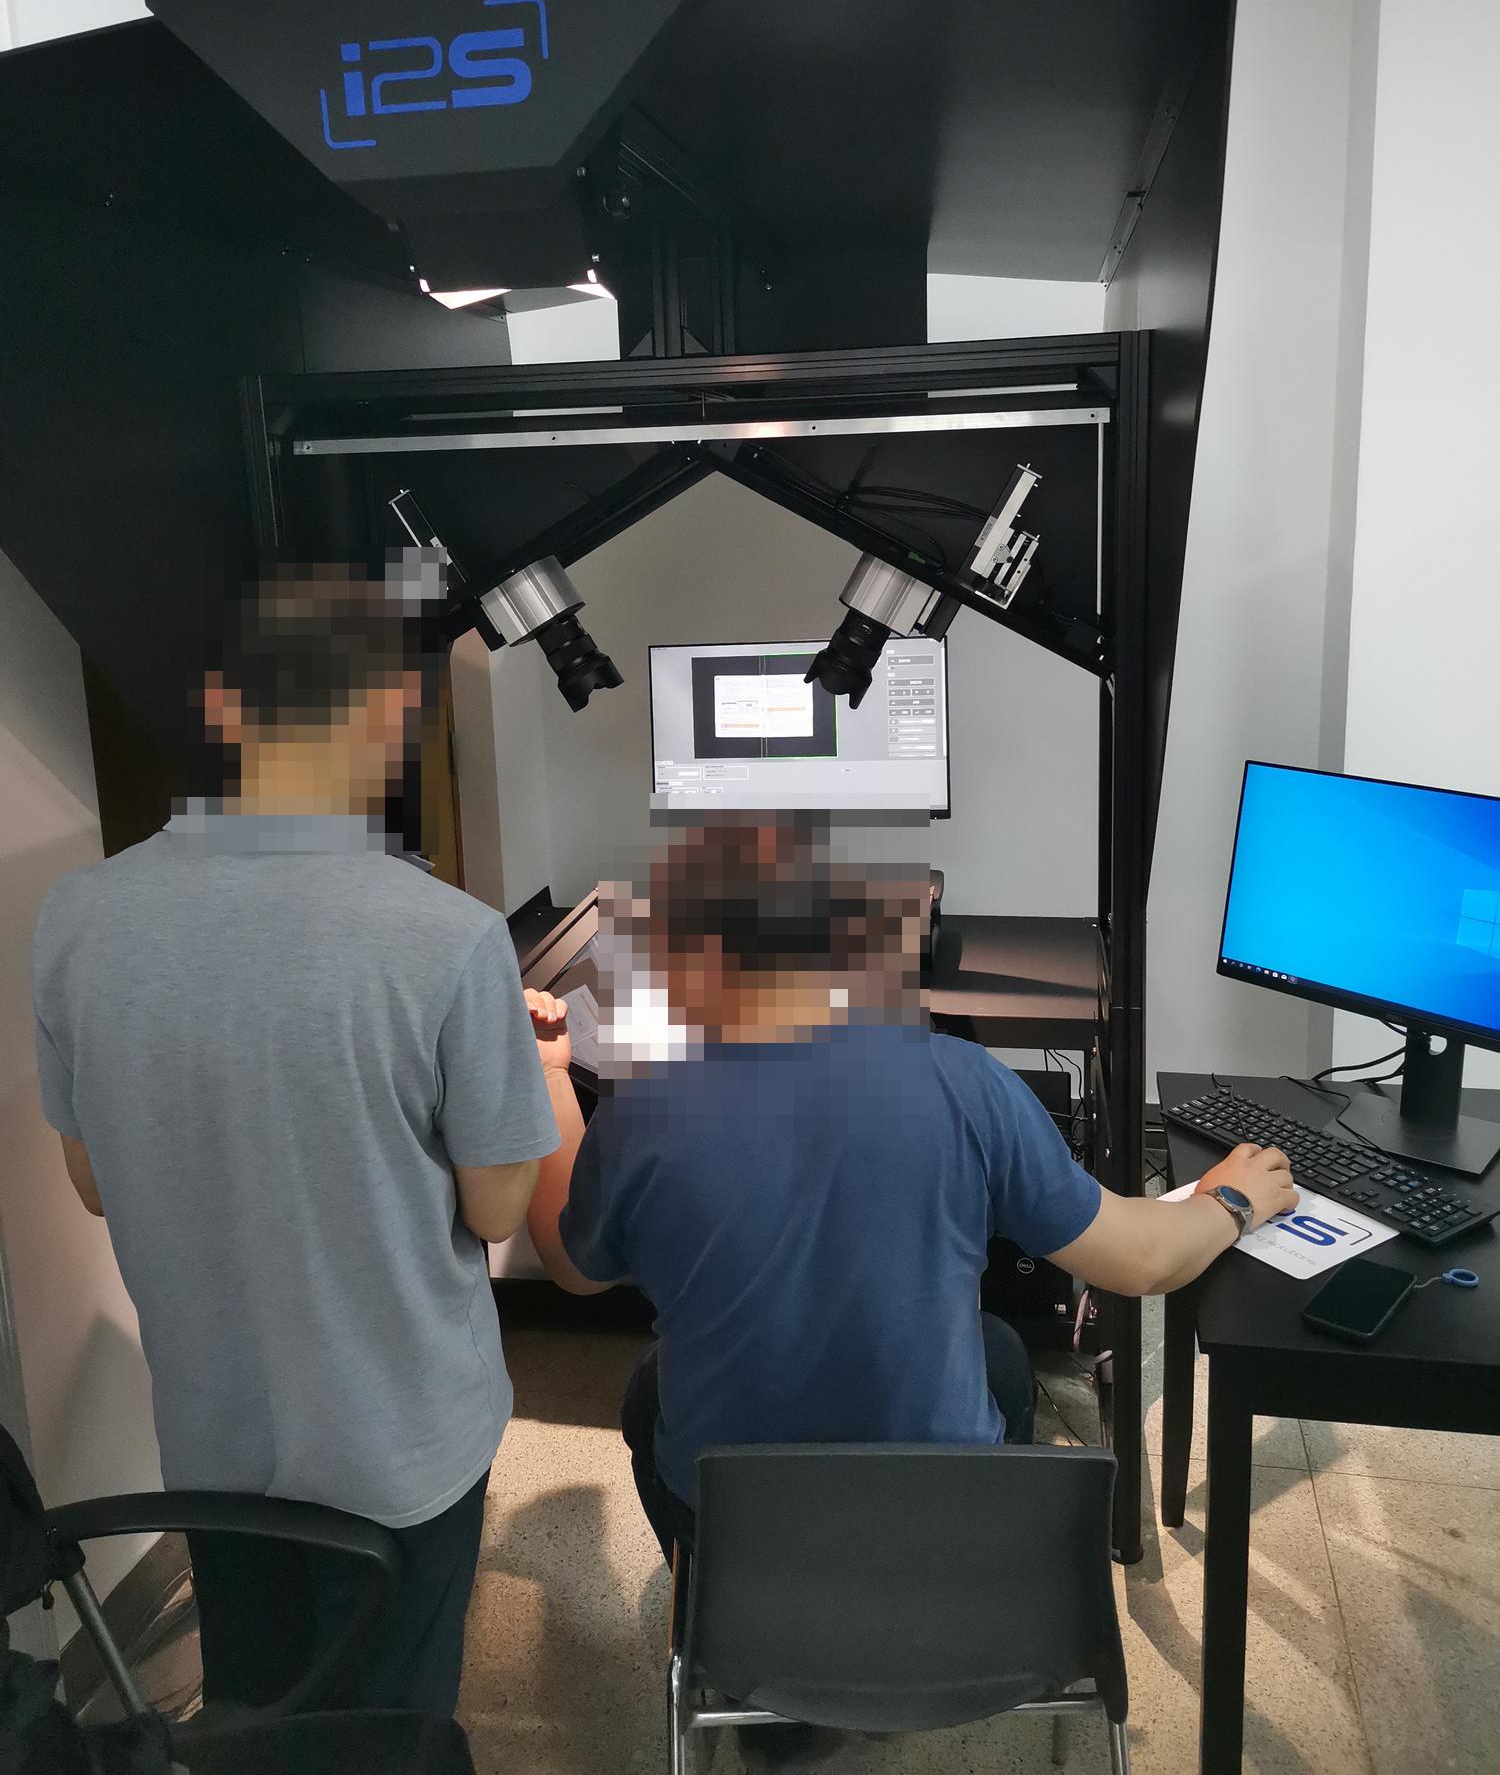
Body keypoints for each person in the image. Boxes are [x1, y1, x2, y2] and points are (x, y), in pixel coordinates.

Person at [32, 564, 561, 1717]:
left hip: (213, 1434)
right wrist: (510, 1071)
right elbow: (495, 1209)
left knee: (257, 1708)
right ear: (394, 715)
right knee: (392, 1720)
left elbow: (93, 1179)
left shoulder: (76, 914)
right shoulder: (448, 936)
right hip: (402, 1441)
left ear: (222, 707)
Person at [525, 822, 1297, 1573]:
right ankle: (980, 1565)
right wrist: (1229, 1200)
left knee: (648, 1393)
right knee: (999, 1353)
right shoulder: (965, 1083)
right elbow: (1143, 1260)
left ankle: (713, 1599)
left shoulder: (642, 1108)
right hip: (936, 1523)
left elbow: (571, 1266)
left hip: (743, 1527)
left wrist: (553, 1075)